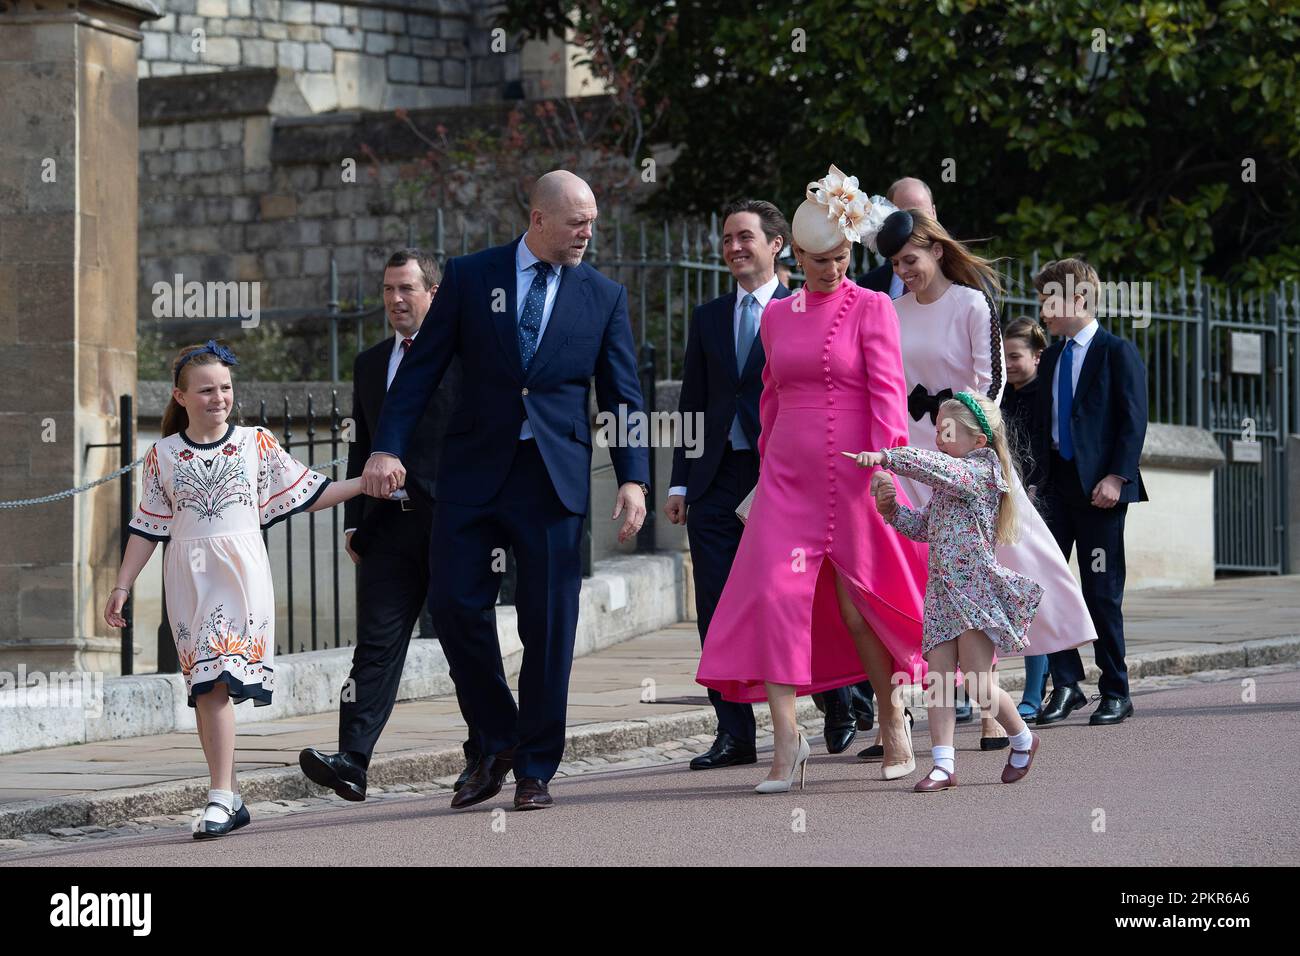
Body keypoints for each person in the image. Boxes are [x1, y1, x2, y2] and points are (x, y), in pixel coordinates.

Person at [361, 170, 650, 811]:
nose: (587, 233)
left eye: (593, 222)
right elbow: (421, 370)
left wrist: (633, 477)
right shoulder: (471, 275)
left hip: (552, 480)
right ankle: (499, 735)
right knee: (455, 606)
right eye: (577, 222)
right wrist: (387, 446)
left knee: (548, 624)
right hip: (472, 473)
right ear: (538, 218)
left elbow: (625, 396)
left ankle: (535, 769)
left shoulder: (602, 295)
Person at [696, 164, 929, 793]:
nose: (833, 269)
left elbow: (888, 396)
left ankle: (892, 717)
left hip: (856, 474)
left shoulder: (873, 306)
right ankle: (787, 744)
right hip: (788, 479)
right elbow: (770, 397)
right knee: (774, 600)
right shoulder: (778, 316)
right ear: (795, 254)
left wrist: (887, 466)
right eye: (820, 259)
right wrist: (767, 467)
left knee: (859, 609)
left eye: (842, 256)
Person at [105, 341, 365, 838]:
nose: (218, 398)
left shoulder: (256, 443)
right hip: (187, 579)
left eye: (225, 388)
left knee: (219, 675)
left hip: (241, 579)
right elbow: (147, 527)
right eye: (206, 390)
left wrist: (362, 484)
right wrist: (121, 585)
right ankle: (228, 795)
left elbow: (309, 491)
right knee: (205, 686)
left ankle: (221, 796)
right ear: (181, 397)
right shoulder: (161, 455)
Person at [875, 208, 1099, 749]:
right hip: (913, 451)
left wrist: (968, 441)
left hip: (969, 453)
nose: (905, 270)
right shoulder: (889, 309)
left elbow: (990, 384)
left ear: (935, 250)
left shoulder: (973, 303)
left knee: (988, 567)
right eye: (896, 264)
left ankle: (997, 710)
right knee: (927, 576)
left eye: (912, 259)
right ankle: (922, 725)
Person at [299, 248, 479, 802]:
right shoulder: (370, 362)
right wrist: (354, 521)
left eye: (407, 289)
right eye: (388, 290)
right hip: (388, 528)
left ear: (433, 295)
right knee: (375, 647)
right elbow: (362, 444)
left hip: (452, 522)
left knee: (464, 645)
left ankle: (486, 753)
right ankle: (353, 759)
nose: (396, 300)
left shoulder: (465, 356)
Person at [859, 391, 1044, 791]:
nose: (938, 437)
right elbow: (923, 528)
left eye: (946, 430)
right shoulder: (951, 478)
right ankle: (943, 765)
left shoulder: (980, 472)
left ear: (979, 441)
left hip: (974, 591)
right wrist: (891, 511)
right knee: (938, 681)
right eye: (937, 429)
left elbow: (934, 466)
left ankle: (1023, 738)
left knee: (978, 682)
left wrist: (889, 456)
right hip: (943, 594)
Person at [666, 199, 793, 768]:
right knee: (717, 608)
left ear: (776, 244)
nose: (734, 247)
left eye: (745, 237)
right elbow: (692, 403)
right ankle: (734, 733)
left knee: (794, 599)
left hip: (783, 479)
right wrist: (677, 484)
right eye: (726, 239)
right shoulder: (708, 317)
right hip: (716, 482)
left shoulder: (802, 307)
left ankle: (844, 708)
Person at [1030, 258, 1149, 727]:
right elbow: (1044, 424)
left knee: (1100, 592)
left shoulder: (1117, 351)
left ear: (1077, 299)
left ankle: (1116, 690)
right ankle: (1066, 685)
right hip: (1055, 491)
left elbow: (1133, 420)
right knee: (1046, 587)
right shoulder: (1054, 357)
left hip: (1100, 492)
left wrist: (1117, 478)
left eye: (1048, 300)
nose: (1043, 312)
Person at [1000, 316, 1051, 719]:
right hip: (1002, 505)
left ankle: (1034, 692)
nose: (1010, 363)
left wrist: (1033, 490)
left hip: (1038, 504)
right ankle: (975, 693)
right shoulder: (998, 396)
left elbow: (1052, 451)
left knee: (1032, 598)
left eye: (1016, 356)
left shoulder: (1048, 395)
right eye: (1005, 355)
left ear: (1037, 355)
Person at [855, 176, 936, 295]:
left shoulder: (964, 282)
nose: (916, 225)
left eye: (924, 215)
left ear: (934, 214)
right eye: (906, 217)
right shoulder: (868, 287)